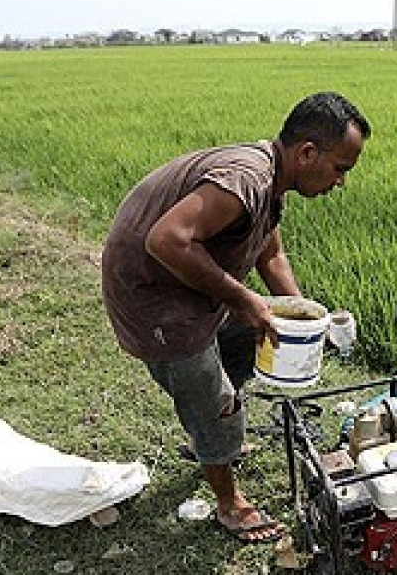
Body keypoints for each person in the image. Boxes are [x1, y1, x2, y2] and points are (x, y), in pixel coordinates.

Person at [101, 92, 371, 543]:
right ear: (307, 153)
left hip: (188, 283)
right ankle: (228, 503)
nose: (340, 181)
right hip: (154, 296)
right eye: (340, 167)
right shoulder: (247, 178)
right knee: (210, 393)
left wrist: (304, 318)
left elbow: (273, 254)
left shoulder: (272, 182)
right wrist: (246, 300)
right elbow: (166, 240)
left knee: (251, 337)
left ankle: (209, 441)